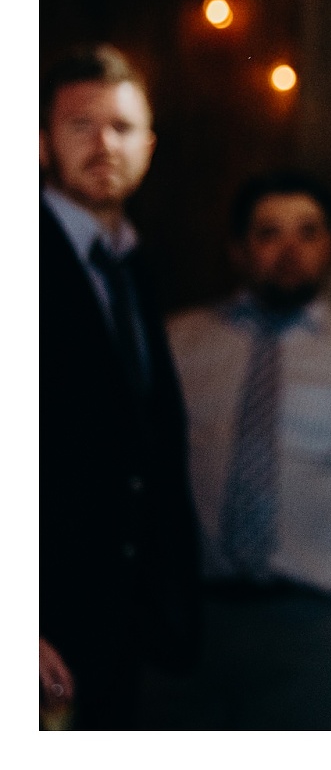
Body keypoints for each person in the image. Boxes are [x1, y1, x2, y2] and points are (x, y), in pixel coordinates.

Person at [162, 171, 331, 727]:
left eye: (307, 233)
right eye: (268, 233)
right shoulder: (180, 345)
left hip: (321, 628)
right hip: (191, 619)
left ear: (329, 246)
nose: (289, 250)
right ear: (237, 249)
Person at [39, 44, 202, 728]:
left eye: (123, 127)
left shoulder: (134, 261)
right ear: (41, 140)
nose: (104, 143)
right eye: (81, 125)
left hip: (133, 627)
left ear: (150, 145)